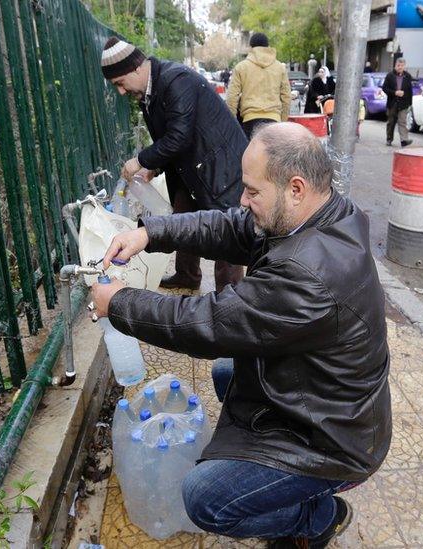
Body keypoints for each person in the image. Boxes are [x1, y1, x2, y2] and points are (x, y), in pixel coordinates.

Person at [91, 122, 391, 548]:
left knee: (204, 500)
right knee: (226, 373)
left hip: (334, 441)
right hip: (323, 401)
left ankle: (318, 514)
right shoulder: (317, 214)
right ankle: (276, 476)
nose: (241, 200)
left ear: (296, 188)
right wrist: (150, 232)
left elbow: (207, 323)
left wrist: (118, 302)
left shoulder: (311, 273)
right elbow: (229, 227)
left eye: (252, 191)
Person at [102, 37, 246, 292]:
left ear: (136, 67)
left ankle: (231, 296)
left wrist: (140, 160)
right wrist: (154, 168)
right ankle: (186, 276)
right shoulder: (149, 91)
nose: (121, 92)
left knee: (226, 231)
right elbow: (169, 137)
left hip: (219, 166)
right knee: (182, 221)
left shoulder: (176, 80)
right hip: (189, 167)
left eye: (120, 83)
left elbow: (179, 136)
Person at [226, 32, 291, 139]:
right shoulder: (280, 67)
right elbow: (286, 97)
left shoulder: (241, 67)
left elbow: (232, 97)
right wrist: (282, 121)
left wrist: (233, 123)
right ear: (267, 46)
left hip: (249, 120)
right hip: (274, 120)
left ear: (251, 47)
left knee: (250, 155)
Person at [381, 57, 414, 147]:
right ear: (395, 65)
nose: (400, 67)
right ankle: (389, 139)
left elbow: (410, 90)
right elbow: (384, 88)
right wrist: (394, 92)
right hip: (392, 103)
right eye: (398, 65)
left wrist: (410, 104)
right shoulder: (390, 75)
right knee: (391, 122)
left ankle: (404, 140)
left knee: (402, 121)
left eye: (402, 66)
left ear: (404, 66)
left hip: (403, 104)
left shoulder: (407, 76)